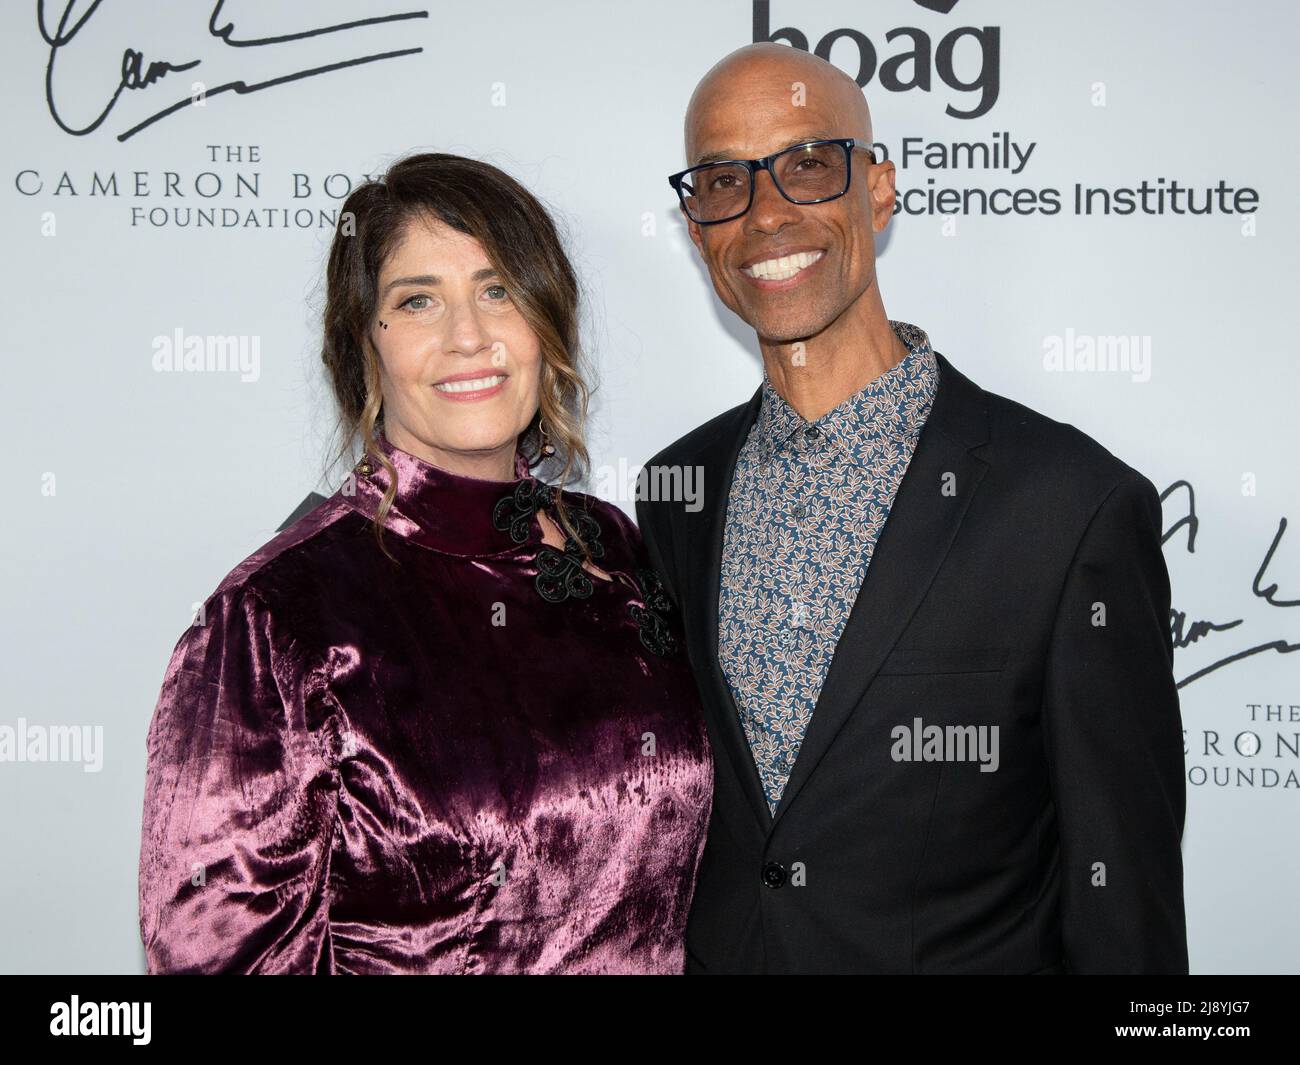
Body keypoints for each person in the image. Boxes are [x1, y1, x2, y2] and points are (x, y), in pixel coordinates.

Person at [635, 43, 1188, 974]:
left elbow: (1123, 901)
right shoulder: (673, 493)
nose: (768, 213)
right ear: (698, 229)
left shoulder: (1070, 505)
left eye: (809, 165)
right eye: (724, 181)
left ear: (879, 189)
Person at [138, 152, 712, 974]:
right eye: (417, 302)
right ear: (363, 345)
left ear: (548, 323)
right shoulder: (275, 617)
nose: (468, 336)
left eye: (498, 289)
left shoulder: (614, 545)